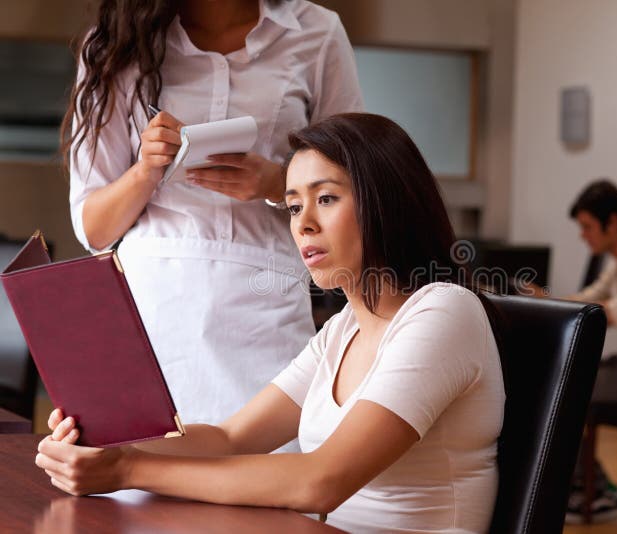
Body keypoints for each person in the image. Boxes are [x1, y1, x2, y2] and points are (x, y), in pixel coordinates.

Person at [37, 113, 506, 534]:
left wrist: (126, 471)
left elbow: (322, 480)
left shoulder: (443, 312)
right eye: (294, 206)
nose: (303, 225)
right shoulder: (344, 331)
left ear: (387, 202)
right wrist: (105, 441)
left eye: (326, 198)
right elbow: (230, 438)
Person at [63, 0, 363, 427]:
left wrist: (278, 183)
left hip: (266, 303)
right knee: (137, 477)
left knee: (268, 474)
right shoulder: (115, 41)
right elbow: (93, 229)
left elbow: (356, 185)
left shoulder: (317, 31)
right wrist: (146, 170)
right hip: (149, 308)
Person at [522, 179, 617, 523]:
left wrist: (553, 307)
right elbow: (590, 297)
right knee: (560, 384)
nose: (583, 235)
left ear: (613, 223)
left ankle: (594, 490)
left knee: (563, 389)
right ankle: (590, 486)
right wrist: (547, 303)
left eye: (587, 227)